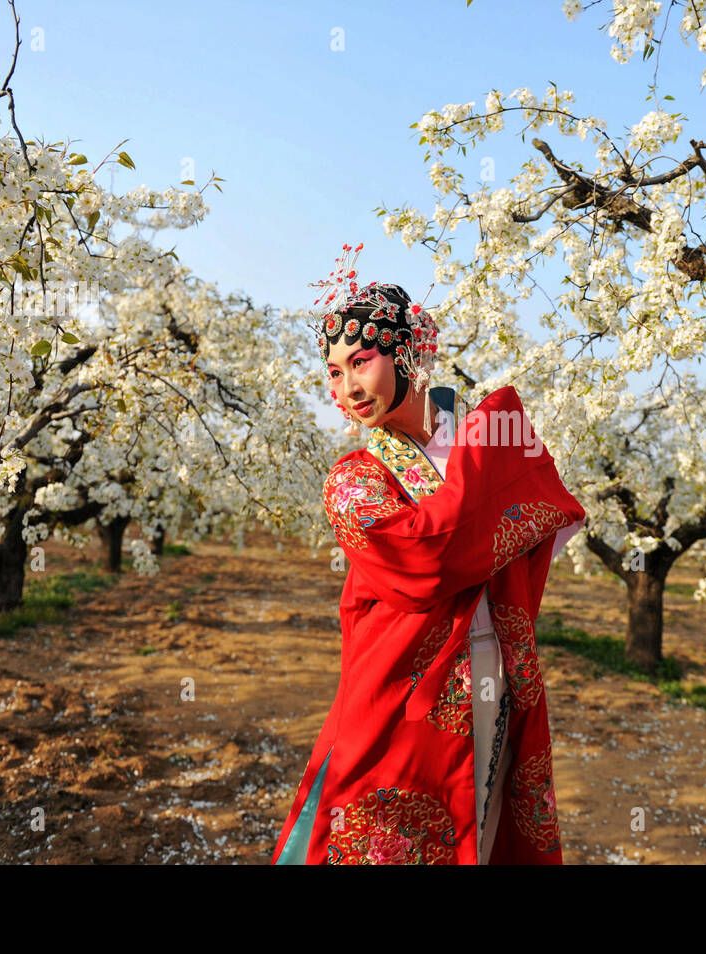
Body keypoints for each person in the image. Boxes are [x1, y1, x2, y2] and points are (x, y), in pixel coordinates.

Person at [270, 243, 585, 865]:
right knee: (391, 836)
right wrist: (486, 490)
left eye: (360, 362)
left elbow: (547, 513)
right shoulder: (353, 478)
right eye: (333, 372)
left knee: (486, 827)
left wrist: (484, 485)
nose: (347, 387)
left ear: (409, 352)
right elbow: (425, 563)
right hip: (401, 690)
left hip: (497, 669)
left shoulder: (483, 439)